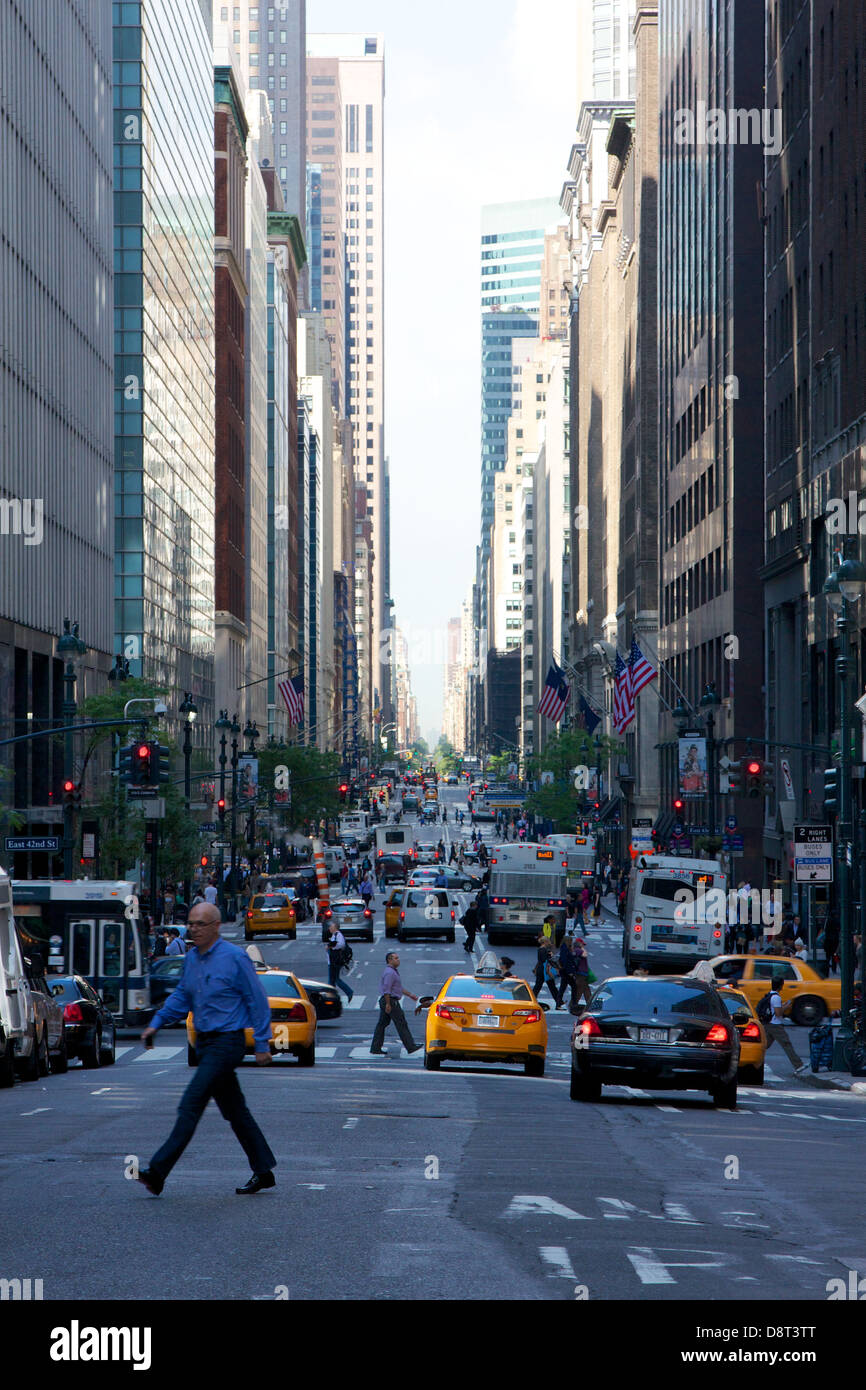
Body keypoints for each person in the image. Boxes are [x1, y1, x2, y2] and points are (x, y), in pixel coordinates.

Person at [135, 904, 277, 1196]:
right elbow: (182, 996)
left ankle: (158, 1172)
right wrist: (156, 1024)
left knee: (191, 1103)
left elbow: (257, 1000)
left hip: (228, 1042)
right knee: (235, 1111)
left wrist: (262, 1044)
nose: (193, 929)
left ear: (216, 926)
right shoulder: (192, 959)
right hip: (205, 1042)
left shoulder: (235, 958)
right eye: (190, 923)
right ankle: (263, 1170)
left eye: (200, 924)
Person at [370, 953, 422, 1055]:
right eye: (396, 958)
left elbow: (397, 988)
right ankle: (410, 1046)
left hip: (388, 1000)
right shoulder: (390, 973)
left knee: (382, 1024)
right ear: (390, 960)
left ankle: (375, 1047)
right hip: (391, 1001)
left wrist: (410, 995)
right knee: (401, 1023)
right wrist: (388, 1004)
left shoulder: (392, 972)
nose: (398, 960)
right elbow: (387, 990)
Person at [325, 920, 354, 1002]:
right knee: (332, 980)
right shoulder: (334, 935)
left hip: (335, 960)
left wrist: (330, 946)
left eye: (331, 926)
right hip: (332, 960)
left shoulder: (338, 934)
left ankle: (348, 992)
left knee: (334, 979)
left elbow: (341, 944)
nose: (330, 928)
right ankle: (332, 996)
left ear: (335, 928)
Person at [570, 937, 594, 1012]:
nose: (583, 946)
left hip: (582, 973)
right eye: (582, 944)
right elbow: (585, 955)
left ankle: (590, 1004)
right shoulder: (578, 950)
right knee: (580, 989)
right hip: (581, 973)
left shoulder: (575, 950)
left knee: (586, 989)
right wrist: (582, 948)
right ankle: (573, 1003)